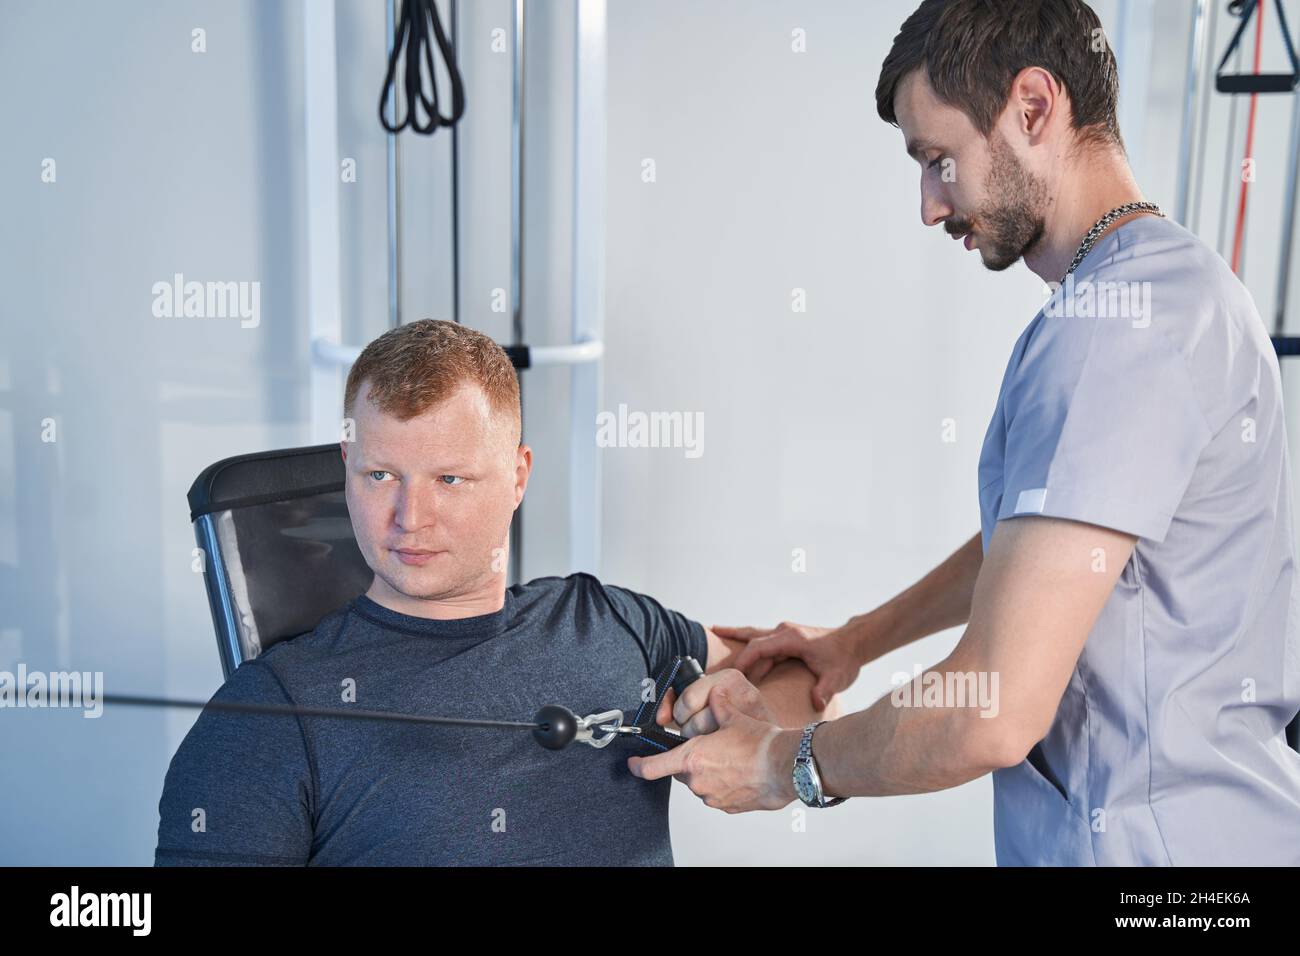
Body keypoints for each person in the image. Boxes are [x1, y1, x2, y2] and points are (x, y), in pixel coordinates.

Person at [628, 0, 1300, 866]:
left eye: (939, 159)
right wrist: (856, 641)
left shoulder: (1112, 331)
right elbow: (1047, 548)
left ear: (1032, 107)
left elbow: (990, 715)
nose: (927, 203)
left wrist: (782, 766)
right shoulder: (1164, 293)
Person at [154, 319, 829, 866]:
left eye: (450, 480)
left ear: (517, 476)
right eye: (380, 475)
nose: (409, 518)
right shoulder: (265, 717)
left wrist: (755, 726)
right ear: (347, 468)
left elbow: (797, 671)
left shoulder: (609, 620)